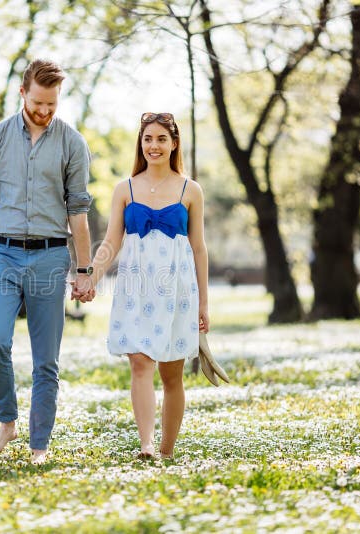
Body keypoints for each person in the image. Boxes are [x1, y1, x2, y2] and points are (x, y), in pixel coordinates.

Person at [0, 59, 94, 465]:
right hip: (4, 255)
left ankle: (39, 445)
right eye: (38, 103)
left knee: (46, 360)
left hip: (51, 256)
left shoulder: (73, 143)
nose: (45, 111)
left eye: (52, 104)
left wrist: (83, 271)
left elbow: (78, 212)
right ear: (22, 93)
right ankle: (7, 421)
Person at [87, 112, 209, 459]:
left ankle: (167, 450)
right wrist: (91, 278)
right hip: (136, 288)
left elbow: (199, 249)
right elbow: (111, 241)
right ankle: (146, 445)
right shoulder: (124, 189)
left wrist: (203, 304)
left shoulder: (191, 190)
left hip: (177, 291)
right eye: (147, 139)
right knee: (140, 363)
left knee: (172, 374)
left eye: (161, 139)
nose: (153, 146)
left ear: (174, 144)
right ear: (140, 144)